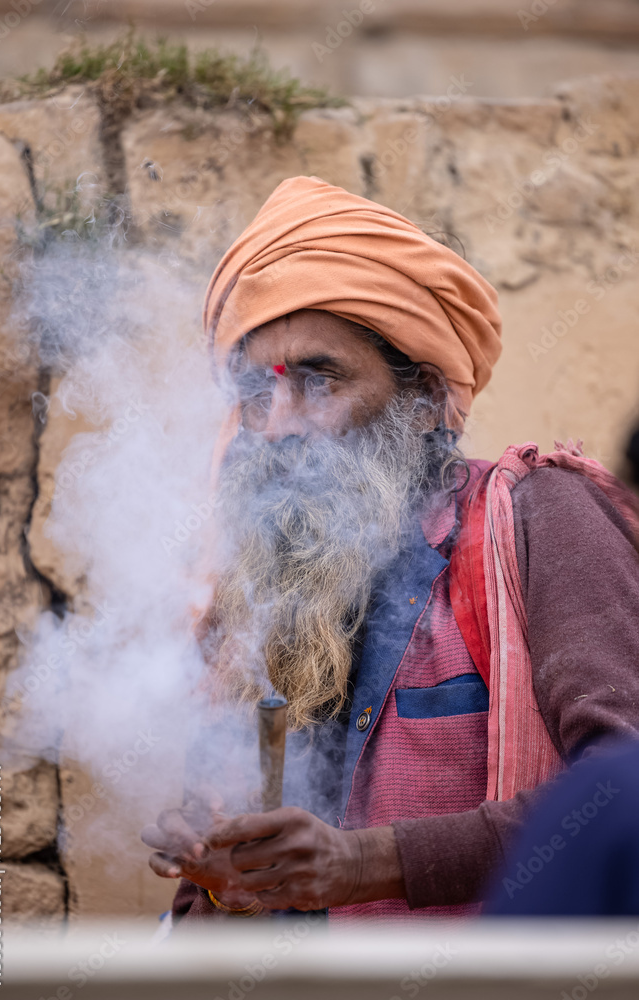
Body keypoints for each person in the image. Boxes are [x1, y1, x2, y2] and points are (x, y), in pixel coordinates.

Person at [141, 176, 639, 922]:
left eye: (319, 380)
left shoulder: (537, 516)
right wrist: (221, 880)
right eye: (256, 390)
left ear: (426, 400)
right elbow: (217, 908)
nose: (276, 425)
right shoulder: (263, 587)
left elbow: (620, 791)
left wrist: (366, 862)